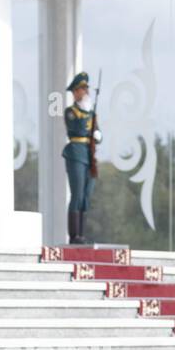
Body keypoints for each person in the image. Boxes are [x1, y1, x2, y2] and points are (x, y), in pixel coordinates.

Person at [61, 71, 101, 244]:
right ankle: (74, 235)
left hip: (88, 154)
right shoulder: (71, 111)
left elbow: (98, 133)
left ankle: (82, 234)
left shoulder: (91, 113)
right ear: (75, 92)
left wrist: (98, 134)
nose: (84, 92)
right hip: (76, 153)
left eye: (85, 89)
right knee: (77, 194)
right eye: (81, 89)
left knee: (86, 194)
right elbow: (76, 128)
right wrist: (89, 117)